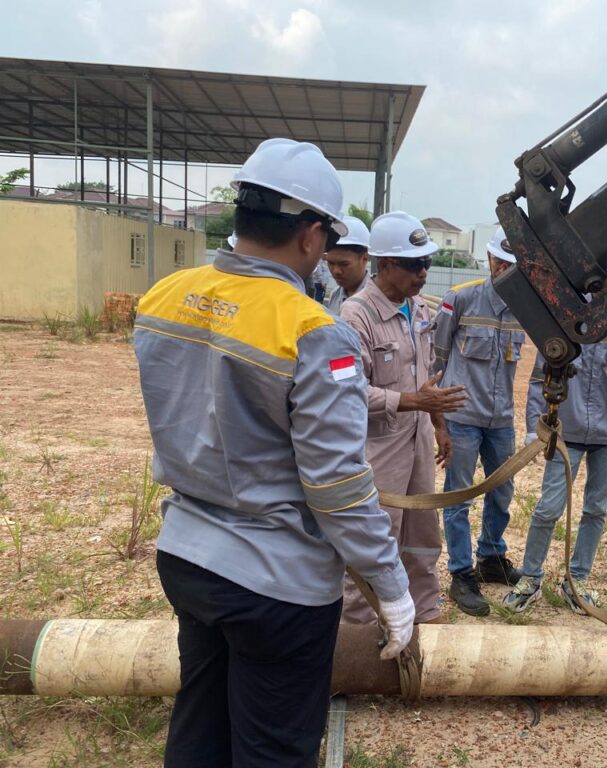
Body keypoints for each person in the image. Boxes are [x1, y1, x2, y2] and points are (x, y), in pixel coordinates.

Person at [134, 138, 414, 767]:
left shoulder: (164, 296)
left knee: (200, 728)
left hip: (186, 555)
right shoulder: (314, 331)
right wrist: (390, 584)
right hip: (275, 585)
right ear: (312, 235)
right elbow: (337, 485)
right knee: (274, 750)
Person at [340, 211, 467, 625]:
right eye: (414, 265)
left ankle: (423, 610)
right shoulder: (355, 316)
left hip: (417, 441)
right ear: (385, 264)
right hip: (378, 446)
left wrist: (439, 426)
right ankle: (361, 626)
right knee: (377, 535)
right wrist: (414, 401)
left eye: (427, 262)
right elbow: (349, 390)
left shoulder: (420, 308)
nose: (423, 272)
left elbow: (427, 374)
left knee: (422, 530)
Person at [503, 249, 607, 614]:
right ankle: (530, 578)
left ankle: (576, 580)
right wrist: (533, 427)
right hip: (565, 433)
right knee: (548, 508)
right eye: (604, 277)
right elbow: (541, 376)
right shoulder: (566, 318)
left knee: (596, 509)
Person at [431, 227, 525, 616]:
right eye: (500, 261)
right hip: (462, 416)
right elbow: (437, 358)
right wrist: (437, 419)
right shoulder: (461, 298)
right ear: (489, 260)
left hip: (500, 419)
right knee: (459, 495)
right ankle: (461, 573)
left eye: (512, 264)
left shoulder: (526, 307)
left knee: (502, 492)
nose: (504, 269)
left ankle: (491, 557)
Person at [325, 215, 371, 313]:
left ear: (364, 259)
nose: (336, 271)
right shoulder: (335, 295)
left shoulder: (377, 298)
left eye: (344, 264)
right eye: (330, 263)